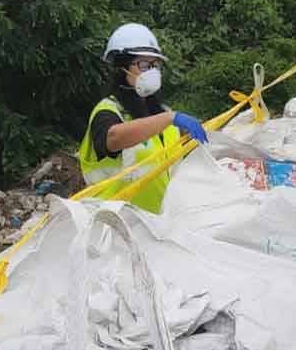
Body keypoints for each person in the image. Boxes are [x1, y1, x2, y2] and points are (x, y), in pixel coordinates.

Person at [77, 23, 208, 213]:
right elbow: (112, 138)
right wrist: (170, 118)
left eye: (155, 65)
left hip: (158, 225)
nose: (152, 72)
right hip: (116, 226)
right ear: (121, 68)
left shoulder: (162, 114)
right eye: (144, 65)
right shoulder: (109, 111)